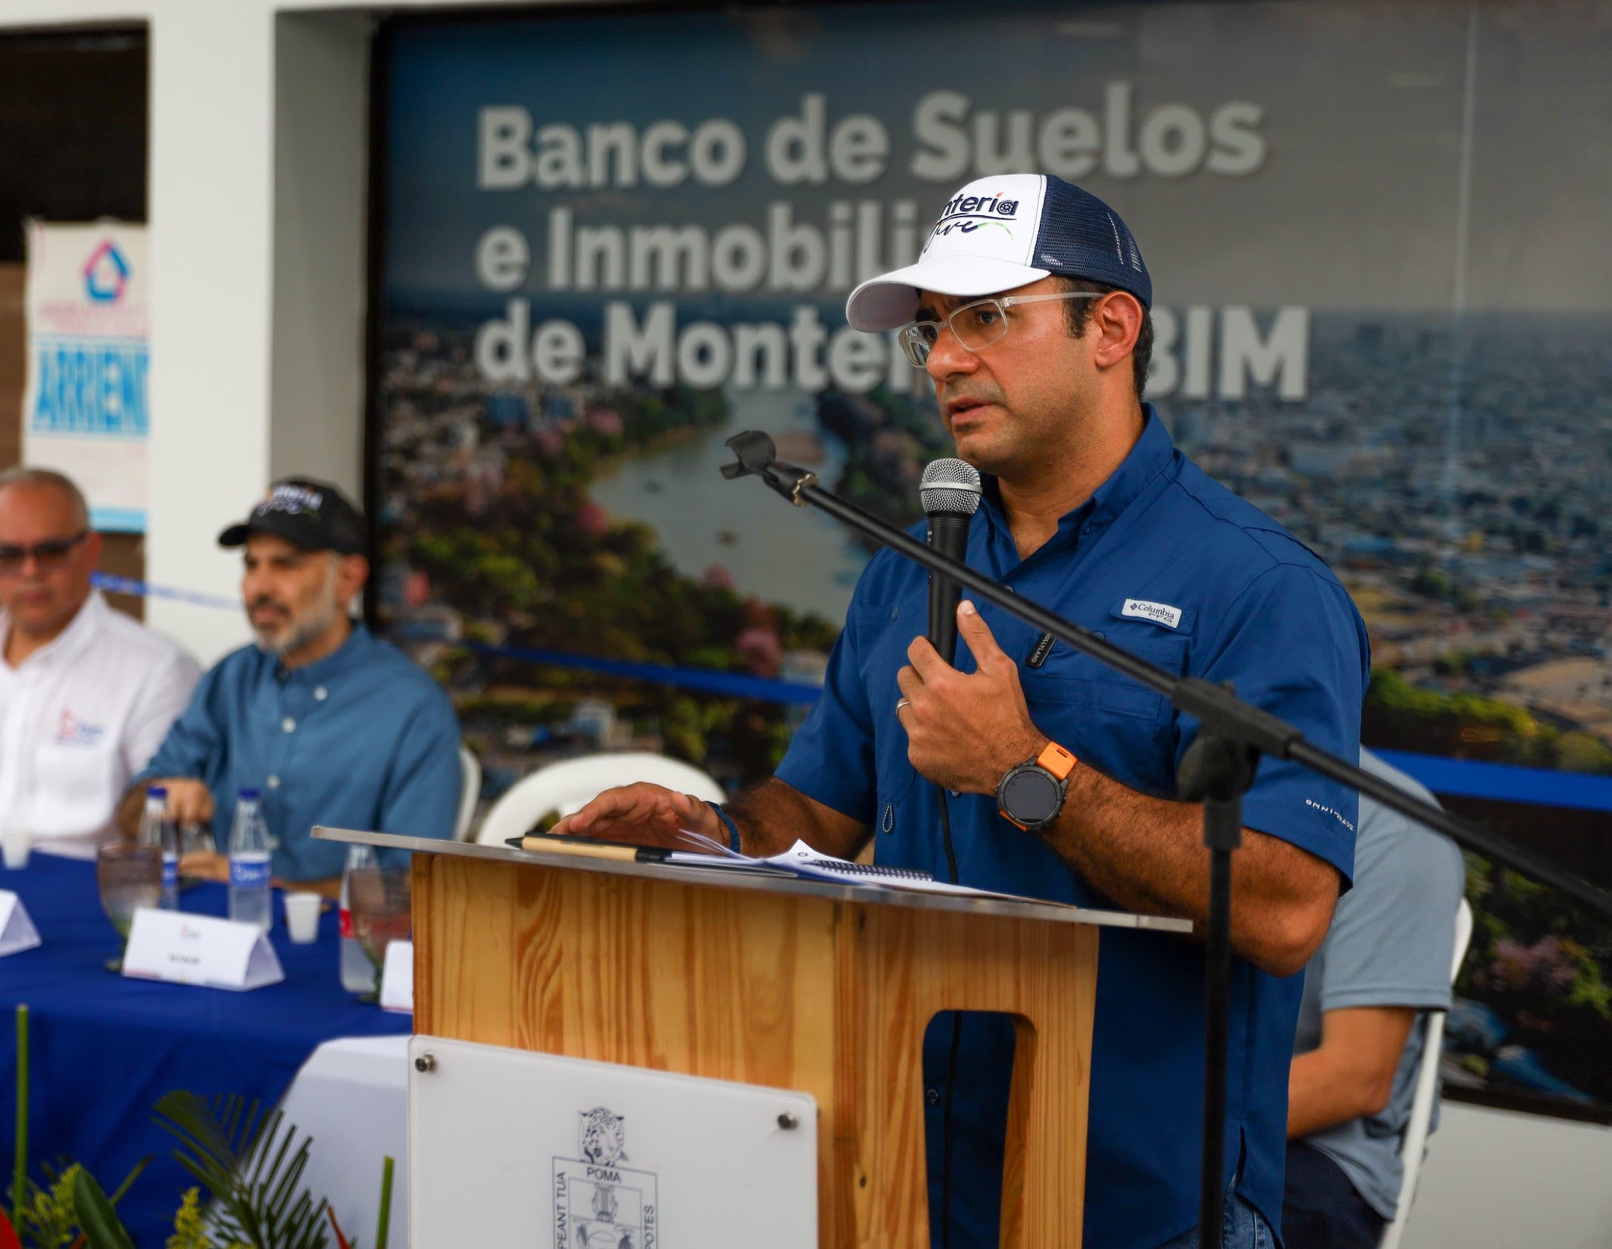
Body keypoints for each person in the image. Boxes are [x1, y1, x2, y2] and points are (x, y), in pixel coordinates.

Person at [555, 173, 1370, 1249]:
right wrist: (709, 834)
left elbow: (1279, 909)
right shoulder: (903, 568)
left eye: (986, 317)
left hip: (1131, 1208)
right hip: (887, 1177)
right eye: (931, 331)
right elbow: (816, 808)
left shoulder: (1257, 587)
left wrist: (1024, 771)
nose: (942, 360)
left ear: (1109, 328)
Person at [119, 478, 462, 896]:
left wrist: (264, 884)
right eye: (251, 565)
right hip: (218, 935)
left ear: (348, 579)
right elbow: (131, 812)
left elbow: (415, 885)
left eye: (286, 565)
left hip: (345, 948)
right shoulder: (231, 677)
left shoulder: (413, 708)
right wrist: (163, 797)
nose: (260, 587)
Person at [0, 467, 199, 844]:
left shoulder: (157, 669)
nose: (30, 571)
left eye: (51, 552)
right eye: (8, 555)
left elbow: (161, 827)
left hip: (83, 893)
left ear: (91, 551)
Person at [1286, 750, 1464, 1248]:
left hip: (1312, 1155)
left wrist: (1158, 1138)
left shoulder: (1397, 826)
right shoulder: (1144, 786)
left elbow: (1354, 1077)